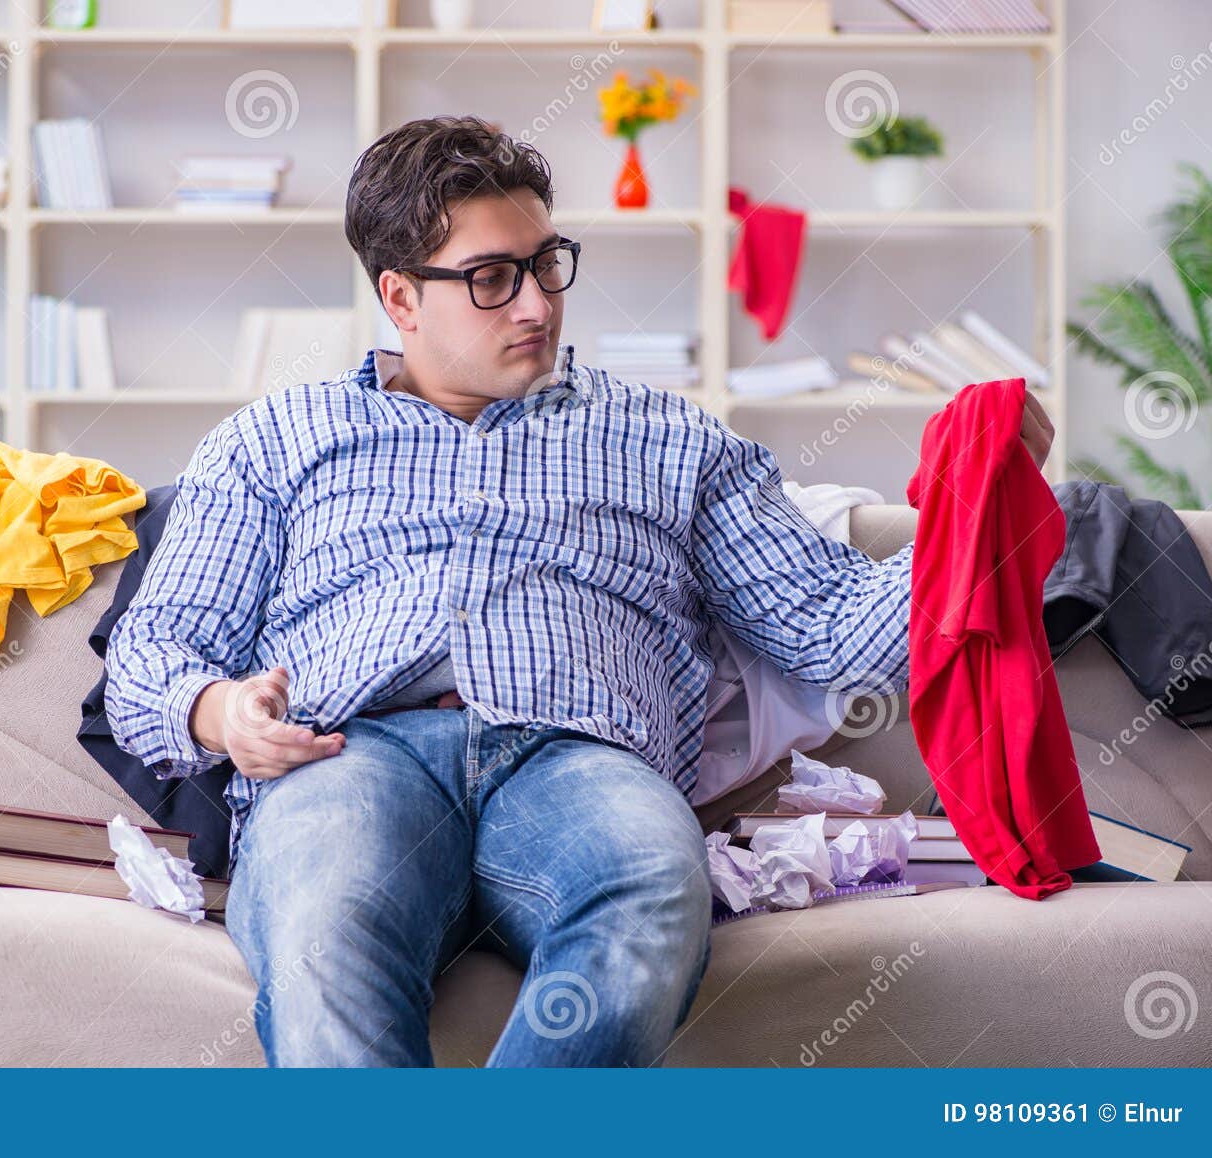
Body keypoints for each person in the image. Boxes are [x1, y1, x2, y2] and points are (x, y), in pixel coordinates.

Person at [105, 115, 1055, 1067]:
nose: (535, 305)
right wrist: (221, 711)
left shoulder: (671, 441)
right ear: (400, 296)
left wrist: (986, 503)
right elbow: (156, 650)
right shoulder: (276, 438)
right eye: (490, 278)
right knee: (324, 923)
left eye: (546, 262)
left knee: (649, 885)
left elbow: (830, 630)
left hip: (582, 758)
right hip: (350, 750)